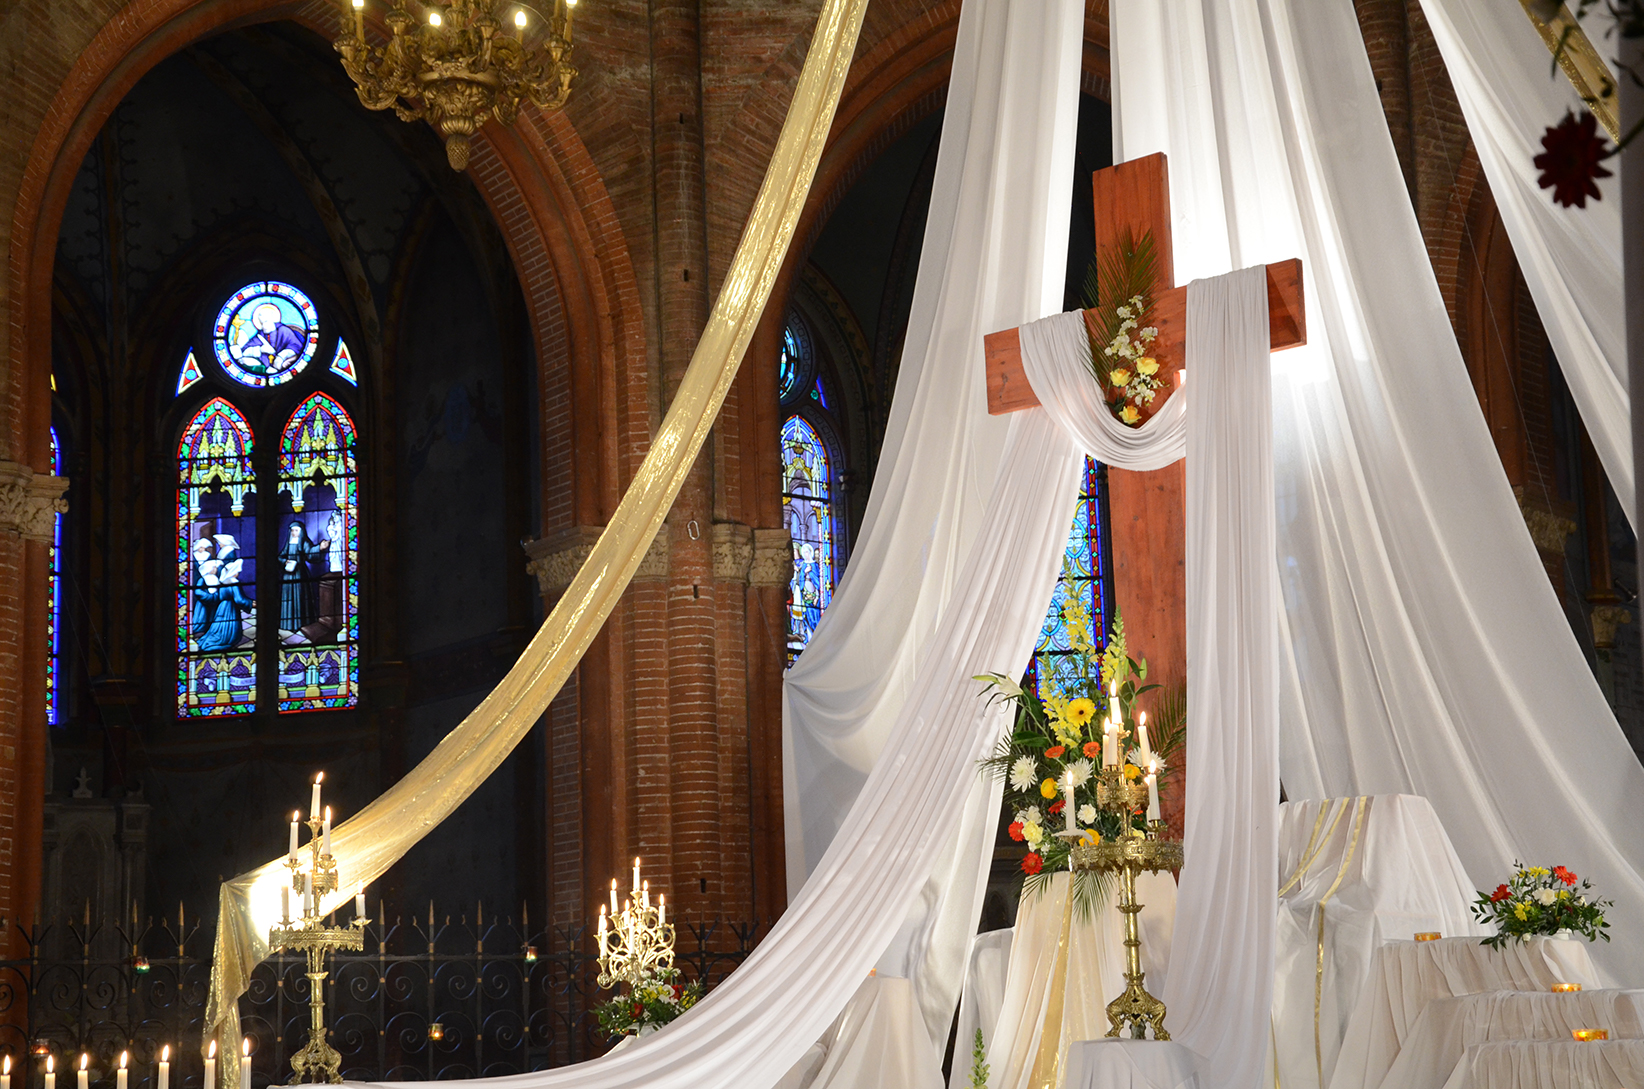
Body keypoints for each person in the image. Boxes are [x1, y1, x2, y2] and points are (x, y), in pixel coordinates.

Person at [191, 534, 251, 652]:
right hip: (219, 602)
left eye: (219, 542)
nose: (219, 544)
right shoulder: (222, 582)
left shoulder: (228, 553)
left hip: (219, 601)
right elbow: (239, 599)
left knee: (218, 621)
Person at [279, 520, 329, 637]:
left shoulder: (304, 542)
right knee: (288, 600)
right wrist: (284, 561)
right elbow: (280, 556)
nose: (294, 533)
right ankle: (288, 625)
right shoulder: (289, 543)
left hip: (300, 574)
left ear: (301, 531)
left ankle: (301, 624)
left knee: (300, 598)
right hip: (288, 576)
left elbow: (310, 553)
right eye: (292, 530)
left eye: (296, 530)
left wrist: (319, 548)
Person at [232, 302, 306, 374]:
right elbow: (245, 349)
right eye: (262, 321)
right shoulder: (260, 335)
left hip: (282, 364)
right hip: (265, 365)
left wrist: (282, 355)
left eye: (267, 321)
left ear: (273, 318)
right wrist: (259, 349)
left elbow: (296, 346)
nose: (264, 324)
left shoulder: (284, 330)